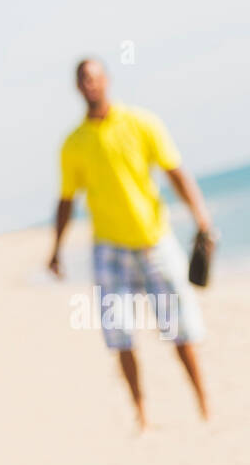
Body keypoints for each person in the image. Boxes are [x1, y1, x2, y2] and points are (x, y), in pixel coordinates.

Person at [48, 58, 213, 431]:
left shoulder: (142, 123)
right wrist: (55, 251)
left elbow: (175, 172)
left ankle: (204, 405)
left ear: (107, 80)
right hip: (109, 249)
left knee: (179, 330)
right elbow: (67, 201)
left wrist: (202, 219)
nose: (90, 84)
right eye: (83, 80)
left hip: (154, 240)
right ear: (78, 88)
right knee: (120, 335)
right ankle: (142, 415)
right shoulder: (73, 144)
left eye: (94, 77)